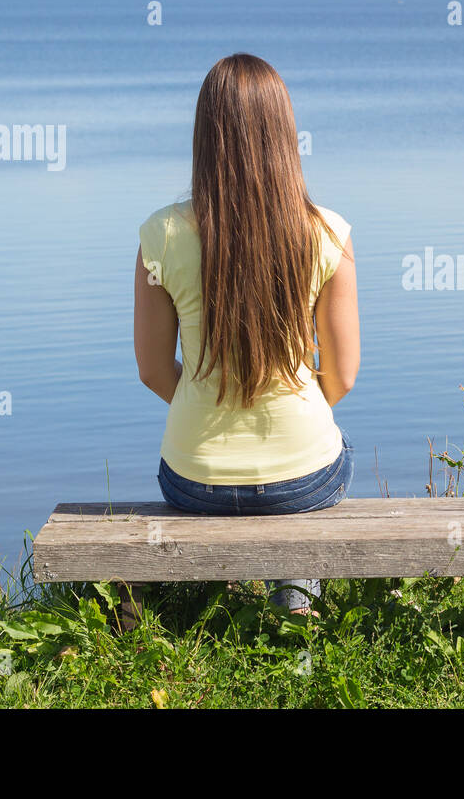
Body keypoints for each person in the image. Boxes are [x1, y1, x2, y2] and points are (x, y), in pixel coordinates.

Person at [133, 53, 359, 615]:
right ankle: (295, 606)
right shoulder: (328, 232)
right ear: (286, 134)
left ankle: (209, 608)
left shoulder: (160, 235)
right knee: (317, 458)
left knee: (238, 480)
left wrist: (209, 406)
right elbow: (344, 375)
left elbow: (153, 370)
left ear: (204, 135)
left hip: (193, 478)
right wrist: (290, 413)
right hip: (301, 478)